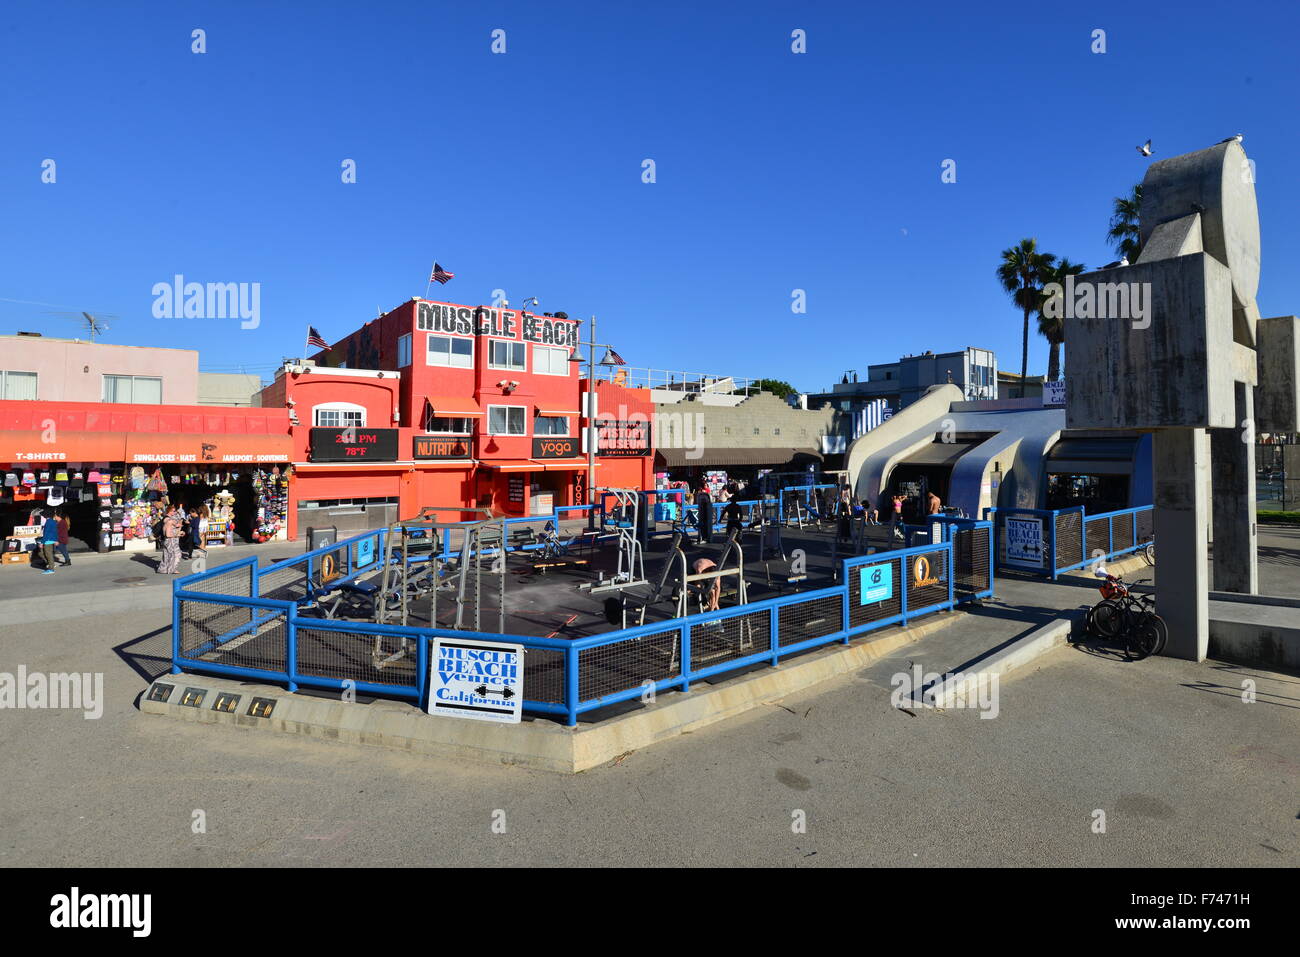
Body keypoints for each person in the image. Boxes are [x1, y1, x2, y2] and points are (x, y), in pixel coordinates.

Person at [157, 505, 183, 574]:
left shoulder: (167, 519)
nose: (175, 513)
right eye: (174, 511)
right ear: (169, 511)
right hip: (170, 540)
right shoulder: (169, 520)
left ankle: (163, 569)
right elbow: (168, 534)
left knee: (166, 555)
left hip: (168, 541)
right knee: (176, 554)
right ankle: (172, 569)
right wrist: (176, 534)